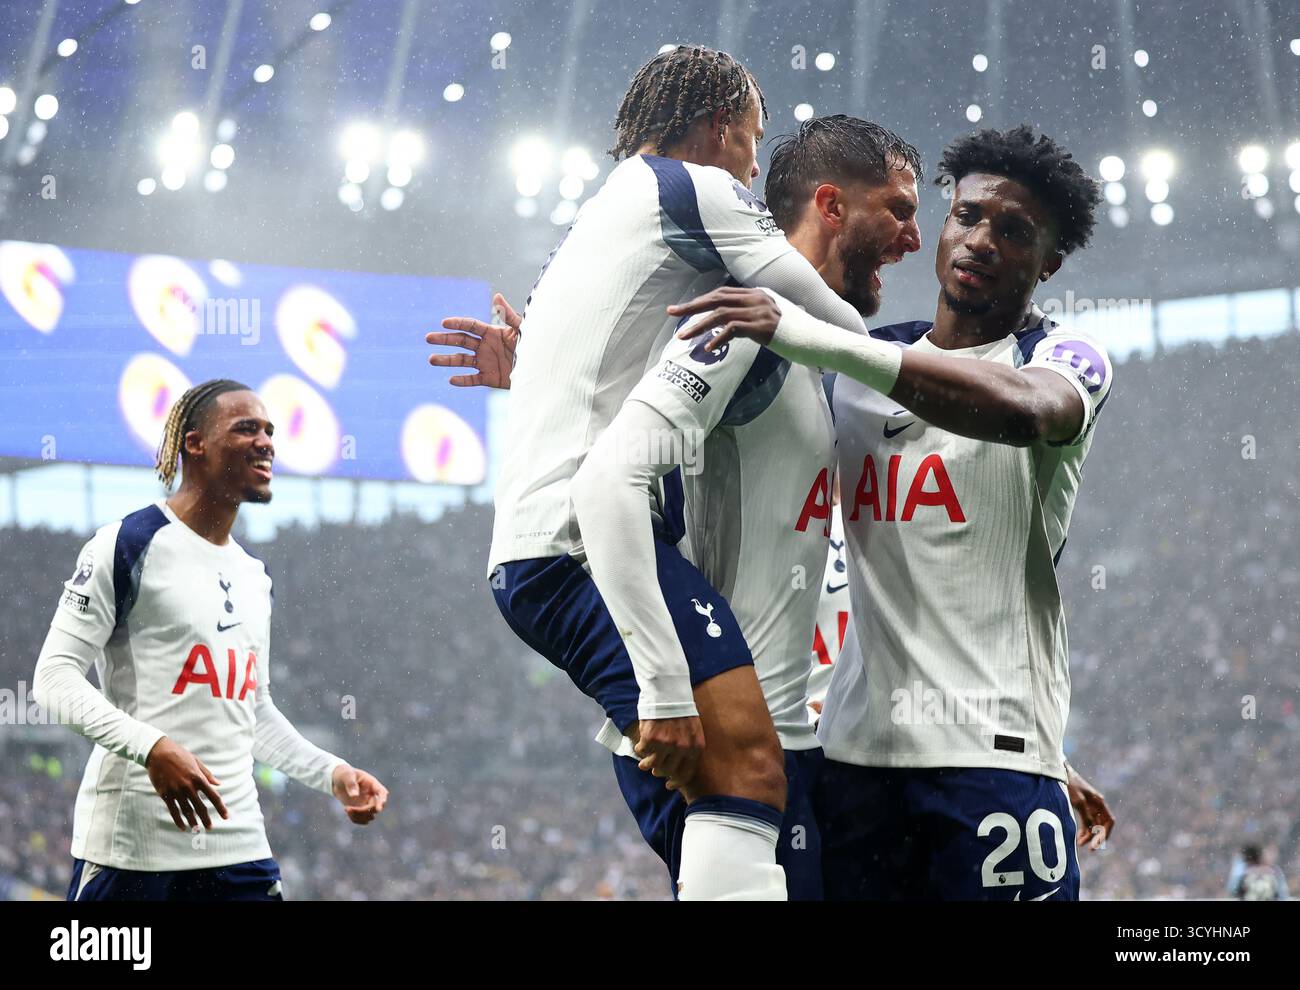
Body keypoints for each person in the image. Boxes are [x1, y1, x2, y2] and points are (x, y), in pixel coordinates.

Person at [432, 48, 882, 900]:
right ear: (717, 127)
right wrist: (664, 684)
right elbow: (835, 322)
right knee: (745, 762)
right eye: (751, 139)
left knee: (734, 778)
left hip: (545, 542)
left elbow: (595, 363)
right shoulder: (698, 191)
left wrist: (523, 364)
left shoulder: (599, 218)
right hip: (580, 539)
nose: (755, 163)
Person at [673, 126, 1112, 900]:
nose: (981, 240)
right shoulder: (855, 365)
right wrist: (543, 370)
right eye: (968, 216)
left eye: (1013, 231)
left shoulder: (1062, 358)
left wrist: (1048, 755)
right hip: (855, 765)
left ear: (1048, 264)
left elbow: (1031, 413)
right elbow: (710, 434)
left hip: (992, 756)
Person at [33, 379, 388, 900]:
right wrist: (151, 747)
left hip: (239, 852)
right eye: (246, 428)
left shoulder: (254, 575)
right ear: (194, 443)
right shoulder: (126, 544)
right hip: (134, 853)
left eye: (269, 431)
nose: (266, 441)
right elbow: (53, 679)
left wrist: (331, 773)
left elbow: (253, 712)